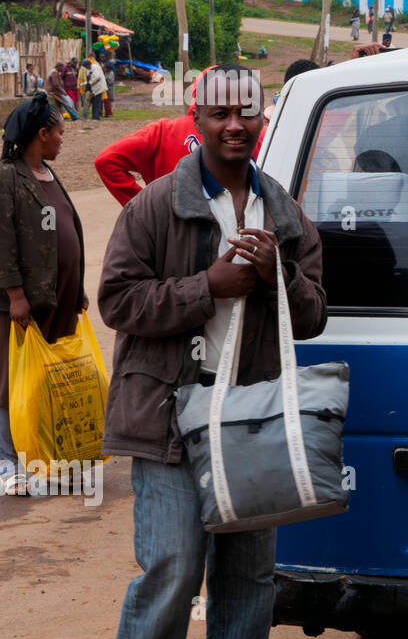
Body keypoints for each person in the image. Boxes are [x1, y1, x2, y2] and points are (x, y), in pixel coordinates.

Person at [100, 64, 328, 639]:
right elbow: (118, 302)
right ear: (195, 120)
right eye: (220, 113)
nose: (234, 125)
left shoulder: (287, 217)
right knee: (172, 572)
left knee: (248, 579)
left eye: (245, 112)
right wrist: (209, 287)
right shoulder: (152, 208)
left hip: (252, 421)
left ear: (262, 118)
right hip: (169, 419)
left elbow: (313, 317)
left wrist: (283, 276)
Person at [0, 94, 88, 496]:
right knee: (10, 383)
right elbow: (3, 241)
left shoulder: (48, 173)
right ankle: (9, 465)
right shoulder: (7, 177)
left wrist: (78, 287)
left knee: (49, 382)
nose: (62, 139)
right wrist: (15, 294)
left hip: (59, 298)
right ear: (41, 133)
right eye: (59, 132)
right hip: (20, 305)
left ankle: (47, 461)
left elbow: (68, 228)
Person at [95, 65, 270, 206]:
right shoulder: (255, 134)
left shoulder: (161, 132)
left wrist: (143, 204)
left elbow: (106, 160)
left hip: (173, 231)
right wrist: (143, 206)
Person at [101, 53, 116, 118]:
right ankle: (106, 113)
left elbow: (110, 81)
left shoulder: (111, 73)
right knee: (105, 102)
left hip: (109, 89)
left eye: (106, 68)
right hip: (106, 89)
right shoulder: (106, 73)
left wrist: (105, 79)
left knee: (108, 102)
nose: (105, 69)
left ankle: (109, 113)